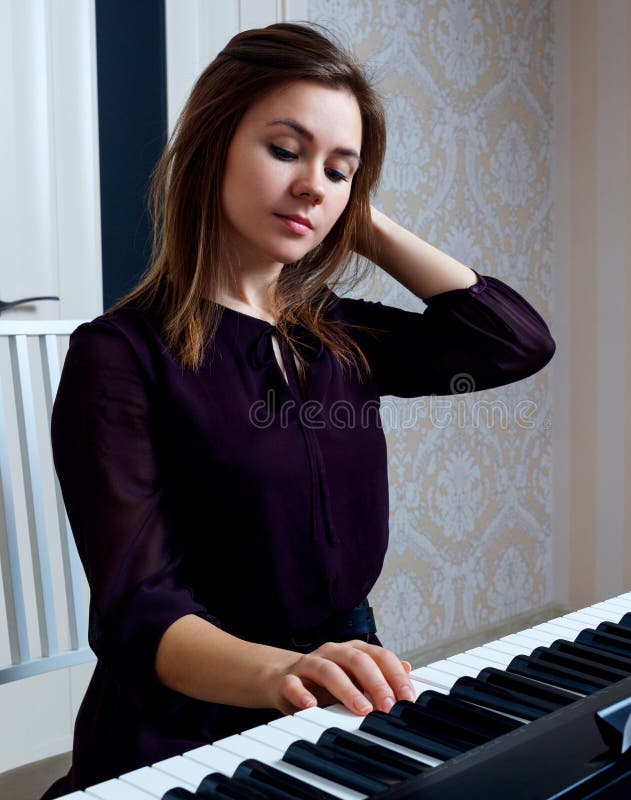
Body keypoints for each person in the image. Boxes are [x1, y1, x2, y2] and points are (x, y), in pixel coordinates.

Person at [42, 22, 555, 798]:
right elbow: (141, 612)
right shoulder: (118, 357)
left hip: (337, 690)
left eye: (340, 168)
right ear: (212, 146)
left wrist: (359, 215)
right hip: (186, 725)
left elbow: (514, 341)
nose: (314, 184)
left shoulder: (339, 333)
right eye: (286, 151)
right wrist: (286, 673)